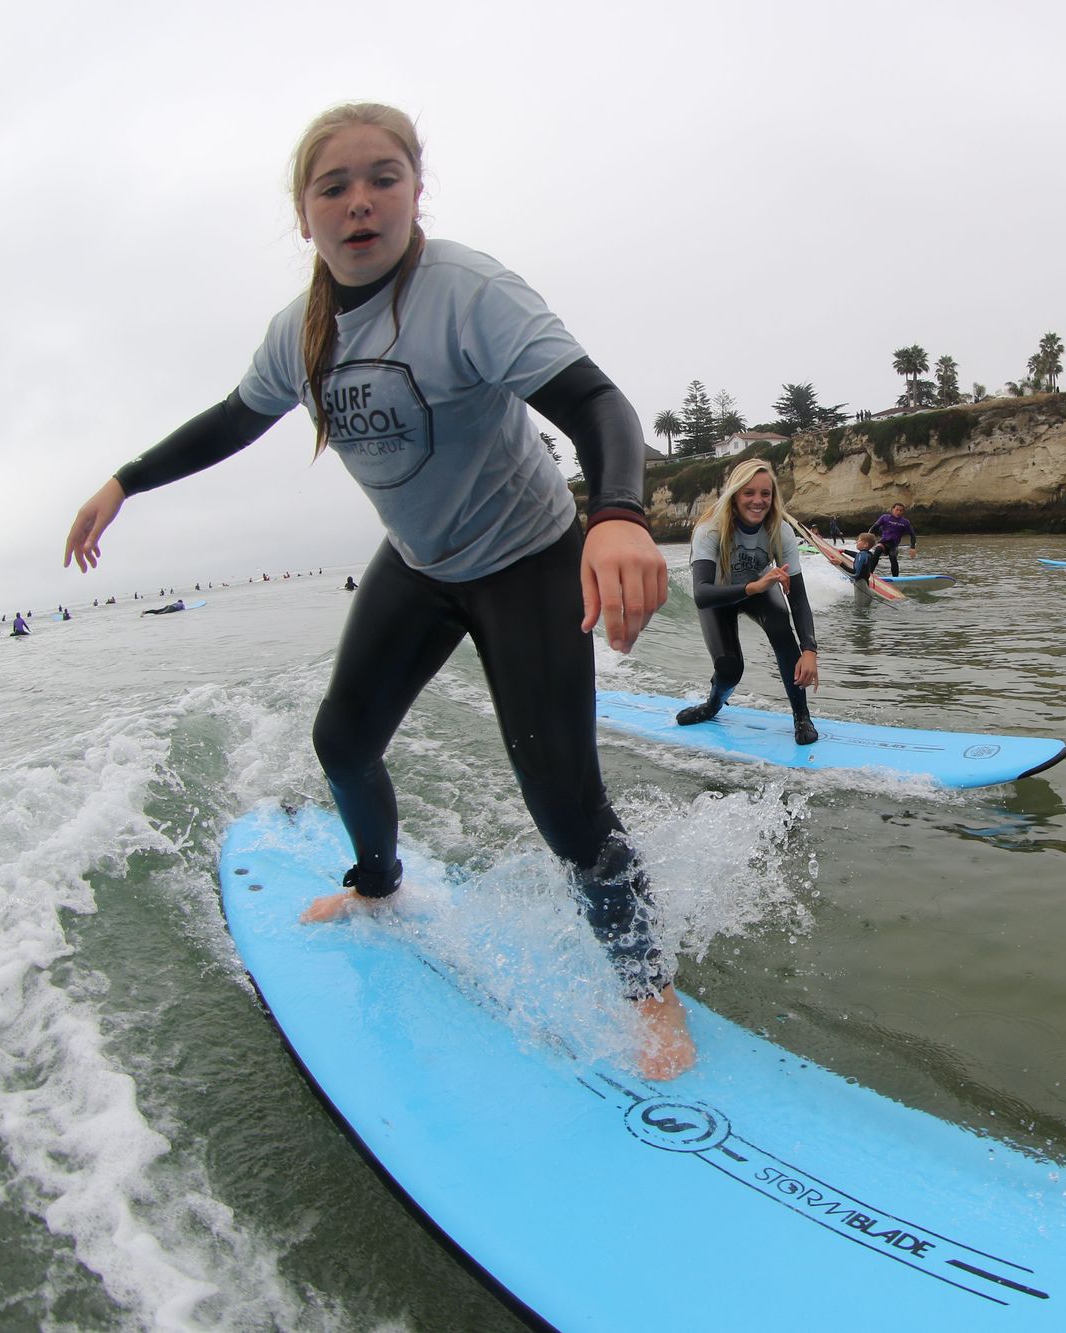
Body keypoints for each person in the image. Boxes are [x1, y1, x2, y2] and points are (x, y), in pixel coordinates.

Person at [61, 102, 691, 1079]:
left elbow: (595, 401)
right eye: (335, 186)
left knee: (565, 804)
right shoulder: (298, 335)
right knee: (341, 741)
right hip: (421, 562)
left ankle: (650, 989)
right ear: (304, 212)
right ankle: (377, 883)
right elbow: (234, 419)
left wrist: (616, 513)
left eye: (382, 177)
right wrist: (125, 479)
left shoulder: (468, 292)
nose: (360, 202)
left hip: (526, 558)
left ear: (414, 189)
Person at [677, 458, 819, 745]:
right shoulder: (711, 529)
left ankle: (801, 716)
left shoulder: (780, 530)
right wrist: (754, 586)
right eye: (749, 493)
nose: (758, 501)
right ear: (735, 494)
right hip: (720, 595)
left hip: (759, 588)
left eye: (765, 494)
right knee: (730, 668)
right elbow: (702, 594)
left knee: (781, 627)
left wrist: (810, 650)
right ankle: (713, 705)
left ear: (773, 497)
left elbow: (799, 597)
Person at [868, 501, 917, 576]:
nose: (898, 512)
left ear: (903, 512)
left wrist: (912, 547)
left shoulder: (905, 522)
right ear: (892, 509)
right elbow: (873, 528)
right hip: (883, 543)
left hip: (893, 545)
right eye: (897, 510)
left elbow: (912, 535)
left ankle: (896, 579)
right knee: (877, 551)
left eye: (901, 510)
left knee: (893, 558)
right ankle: (869, 574)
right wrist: (868, 539)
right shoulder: (885, 517)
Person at [818, 530, 884, 585]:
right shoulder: (868, 554)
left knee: (859, 601)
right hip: (865, 583)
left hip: (861, 585)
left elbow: (854, 573)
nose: (856, 542)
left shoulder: (861, 555)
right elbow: (856, 555)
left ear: (865, 545)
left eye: (859, 540)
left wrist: (840, 563)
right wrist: (845, 551)